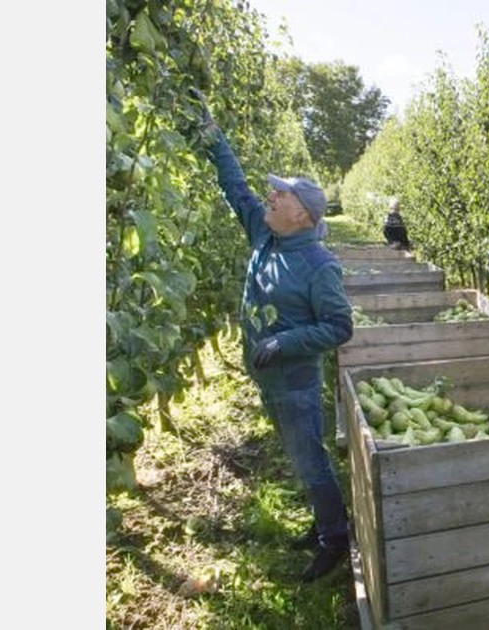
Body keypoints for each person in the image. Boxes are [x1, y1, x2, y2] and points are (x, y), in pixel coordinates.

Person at [186, 89, 354, 583]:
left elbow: (340, 327)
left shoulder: (319, 265)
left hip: (295, 381)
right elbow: (236, 188)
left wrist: (284, 342)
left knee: (310, 459)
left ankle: (335, 539)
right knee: (300, 458)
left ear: (302, 214)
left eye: (281, 194)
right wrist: (214, 139)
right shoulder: (265, 236)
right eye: (274, 192)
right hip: (267, 376)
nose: (271, 196)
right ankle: (324, 521)